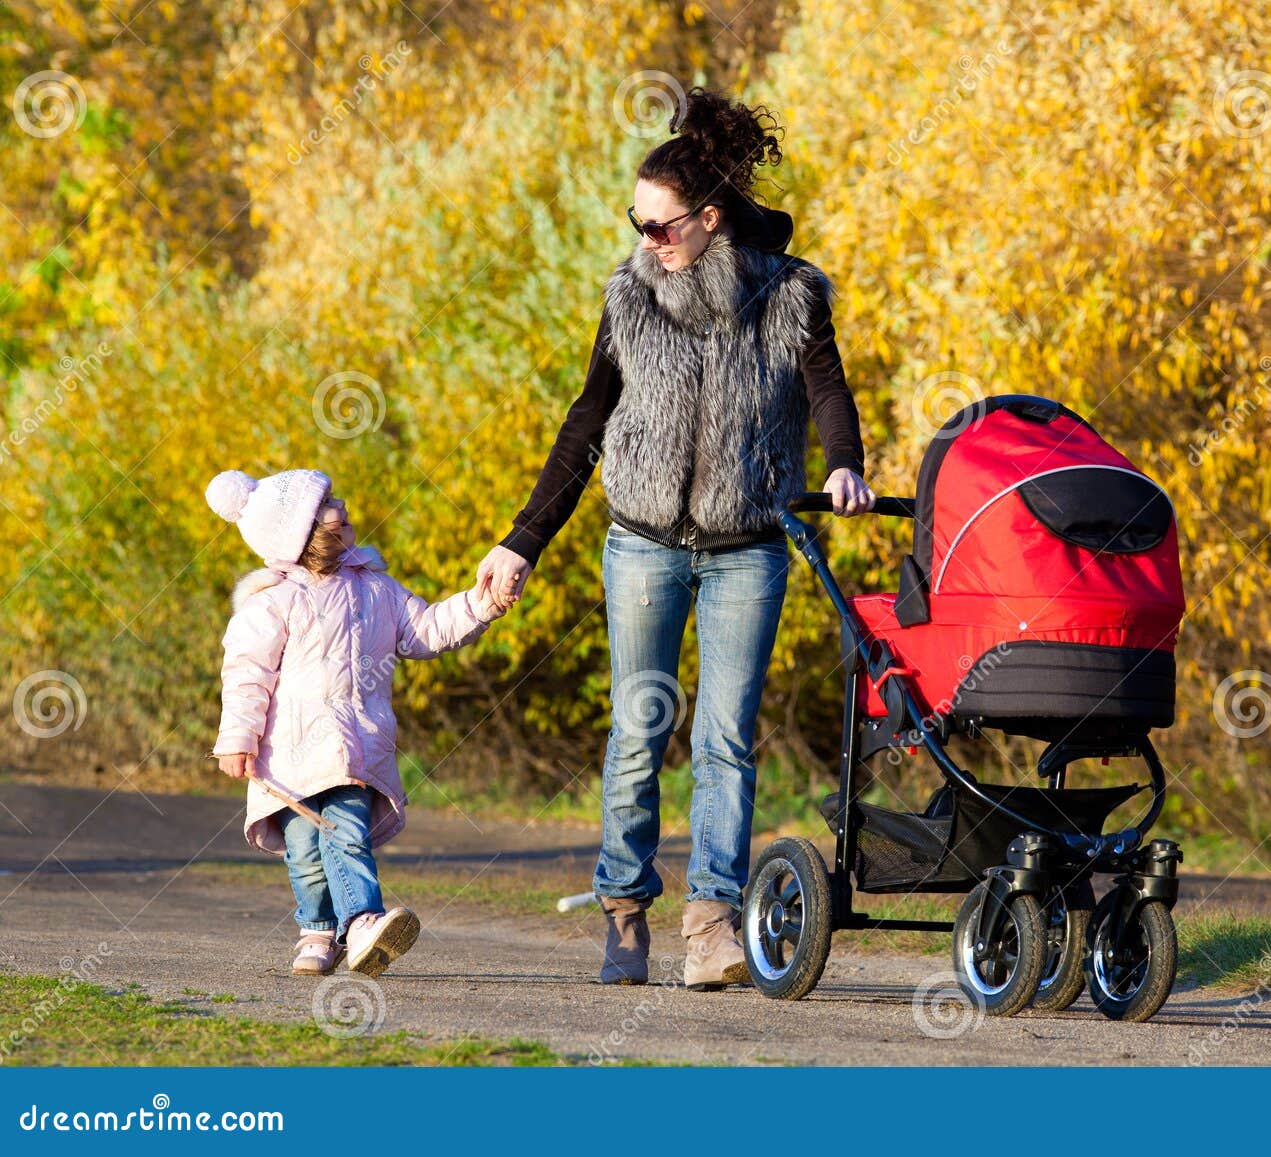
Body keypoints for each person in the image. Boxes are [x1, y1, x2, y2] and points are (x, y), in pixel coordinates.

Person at [476, 86, 875, 991]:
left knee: (726, 739)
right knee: (636, 732)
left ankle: (710, 924)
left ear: (708, 218)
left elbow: (827, 390)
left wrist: (845, 461)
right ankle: (624, 914)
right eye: (636, 223)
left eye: (659, 226)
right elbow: (587, 421)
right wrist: (522, 541)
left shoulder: (790, 293)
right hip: (644, 544)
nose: (645, 240)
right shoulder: (629, 295)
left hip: (748, 547)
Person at [207, 467, 507, 976]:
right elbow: (246, 676)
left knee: (345, 831)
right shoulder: (273, 603)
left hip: (352, 746)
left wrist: (481, 604)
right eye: (328, 504)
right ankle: (317, 930)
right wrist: (237, 739)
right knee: (304, 851)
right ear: (300, 530)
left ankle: (364, 921)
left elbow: (427, 630)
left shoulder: (376, 590)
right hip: (286, 755)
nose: (342, 508)